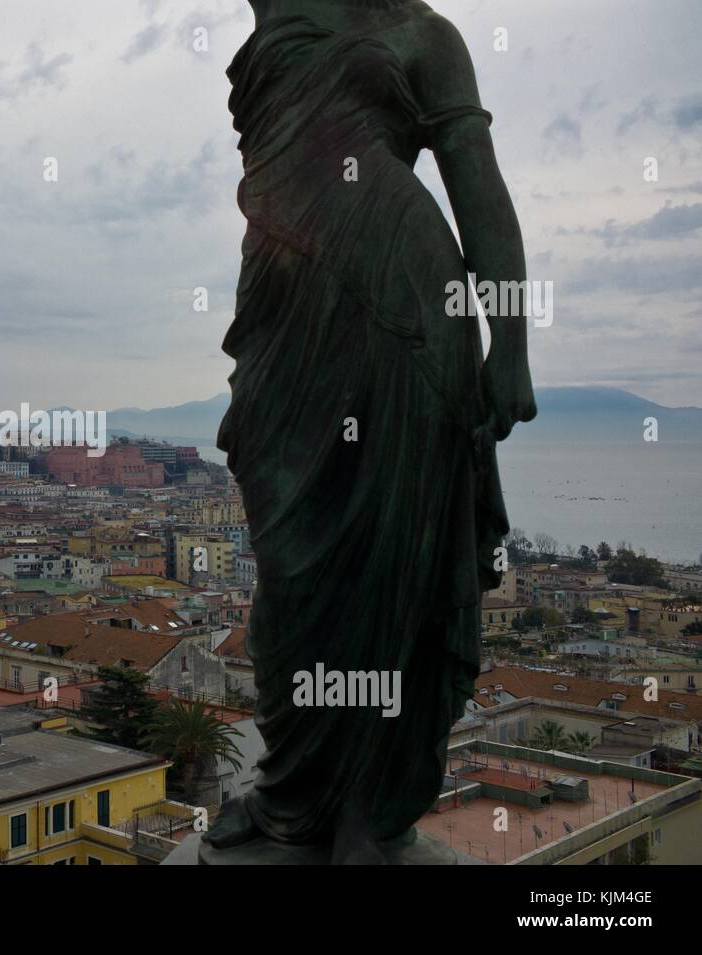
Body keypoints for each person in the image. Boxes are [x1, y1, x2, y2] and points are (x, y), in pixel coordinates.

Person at [207, 0, 536, 863]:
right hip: (285, 309)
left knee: (387, 561)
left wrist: (511, 342)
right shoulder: (282, 6)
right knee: (289, 567)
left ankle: (361, 809)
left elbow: (478, 184)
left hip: (407, 301)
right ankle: (292, 794)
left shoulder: (428, 37)